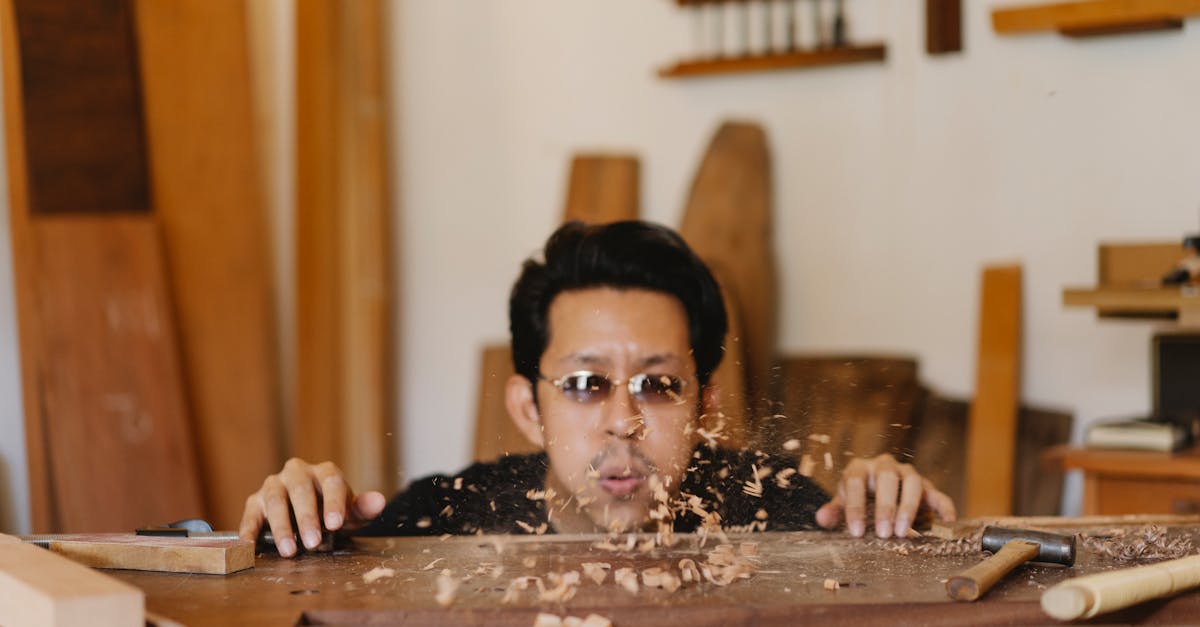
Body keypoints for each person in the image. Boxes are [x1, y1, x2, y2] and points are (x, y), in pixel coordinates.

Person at [240, 220, 956, 557]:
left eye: (659, 385)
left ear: (705, 404)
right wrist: (291, 534)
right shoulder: (442, 519)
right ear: (529, 407)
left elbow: (883, 570)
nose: (624, 421)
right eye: (585, 383)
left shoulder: (777, 510)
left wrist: (896, 518)